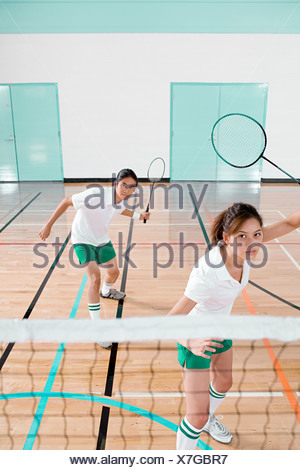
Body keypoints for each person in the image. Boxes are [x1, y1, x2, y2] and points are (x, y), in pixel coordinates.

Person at [168, 202, 300, 450]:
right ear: (226, 238)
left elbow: (291, 222)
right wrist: (190, 342)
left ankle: (208, 421)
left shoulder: (249, 246)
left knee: (223, 383)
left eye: (256, 234)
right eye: (242, 236)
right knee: (196, 415)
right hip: (194, 336)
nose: (252, 243)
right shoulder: (207, 273)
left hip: (220, 326)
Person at [39, 168, 150, 348]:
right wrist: (48, 225)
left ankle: (106, 292)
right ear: (116, 183)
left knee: (114, 273)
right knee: (94, 278)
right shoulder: (95, 195)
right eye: (124, 185)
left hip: (101, 238)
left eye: (131, 187)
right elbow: (67, 201)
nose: (126, 190)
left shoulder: (121, 200)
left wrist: (139, 216)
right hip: (82, 238)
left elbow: (120, 209)